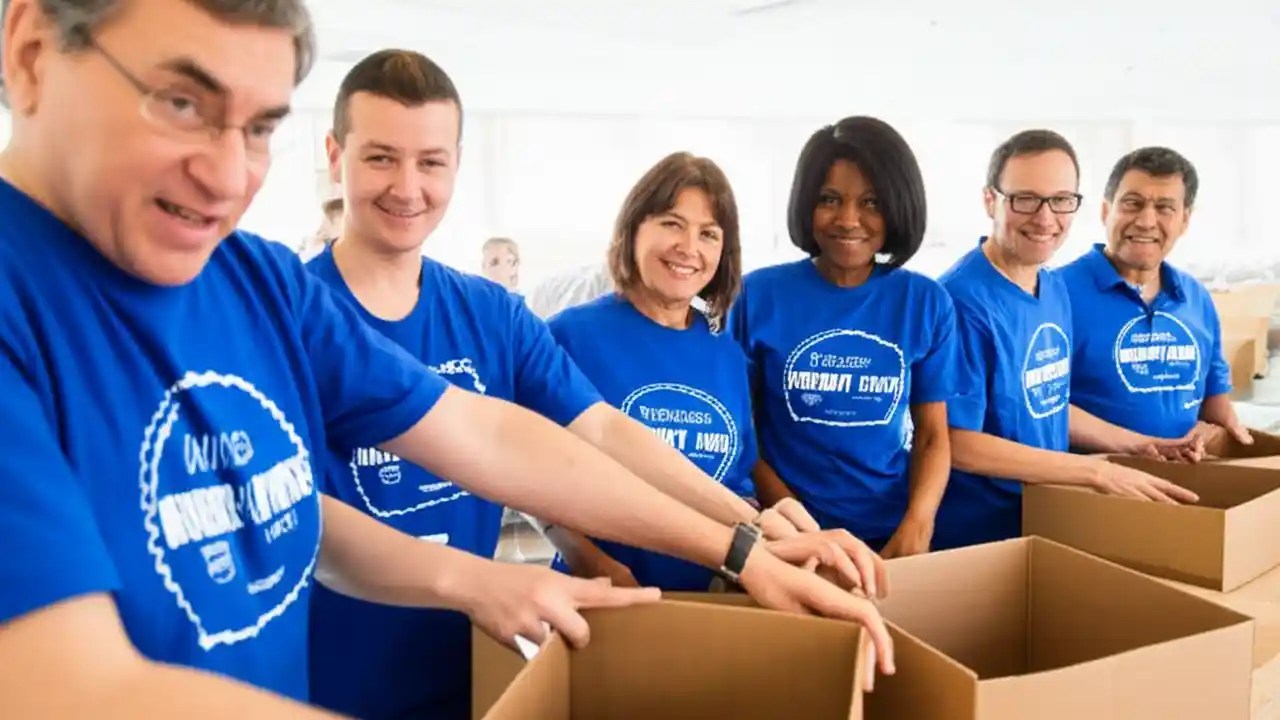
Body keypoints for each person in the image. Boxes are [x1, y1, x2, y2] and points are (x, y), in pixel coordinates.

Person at [0, 2, 893, 717]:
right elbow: (69, 687)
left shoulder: (254, 281)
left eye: (260, 127)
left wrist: (742, 545)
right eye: (182, 104)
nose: (229, 175)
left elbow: (478, 436)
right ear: (31, 50)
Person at [304, 50, 889, 719]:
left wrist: (751, 534)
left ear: (457, 164)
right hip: (326, 674)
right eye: (381, 157)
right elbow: (311, 528)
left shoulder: (493, 315)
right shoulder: (288, 313)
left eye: (430, 162)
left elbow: (603, 433)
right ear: (334, 153)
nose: (408, 187)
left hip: (475, 662)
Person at [934, 129, 1200, 552]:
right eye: (1025, 199)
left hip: (1045, 514)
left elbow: (1045, 403)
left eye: (1061, 200)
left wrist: (1137, 444)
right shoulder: (959, 302)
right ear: (990, 201)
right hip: (977, 534)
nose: (1045, 218)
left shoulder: (1052, 286)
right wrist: (1092, 472)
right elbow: (956, 442)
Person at [729, 117, 956, 557]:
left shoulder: (925, 302)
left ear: (897, 205)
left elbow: (932, 436)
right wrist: (797, 523)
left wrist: (917, 524)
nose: (848, 220)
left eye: (871, 202)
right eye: (829, 199)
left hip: (889, 533)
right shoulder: (756, 296)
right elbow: (742, 435)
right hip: (786, 534)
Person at [545, 151, 758, 591]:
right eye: (671, 224)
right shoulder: (570, 335)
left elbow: (736, 481)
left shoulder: (728, 355)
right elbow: (524, 469)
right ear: (634, 228)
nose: (689, 248)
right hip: (598, 595)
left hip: (707, 602)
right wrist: (589, 560)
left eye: (709, 234)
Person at [1058, 146, 1251, 454]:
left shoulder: (1196, 298)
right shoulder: (1057, 294)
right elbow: (1043, 407)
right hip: (1089, 491)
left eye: (1164, 208)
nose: (1146, 221)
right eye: (1132, 204)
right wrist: (1142, 446)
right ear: (1106, 211)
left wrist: (1225, 436)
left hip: (1183, 485)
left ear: (1184, 220)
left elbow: (1216, 407)